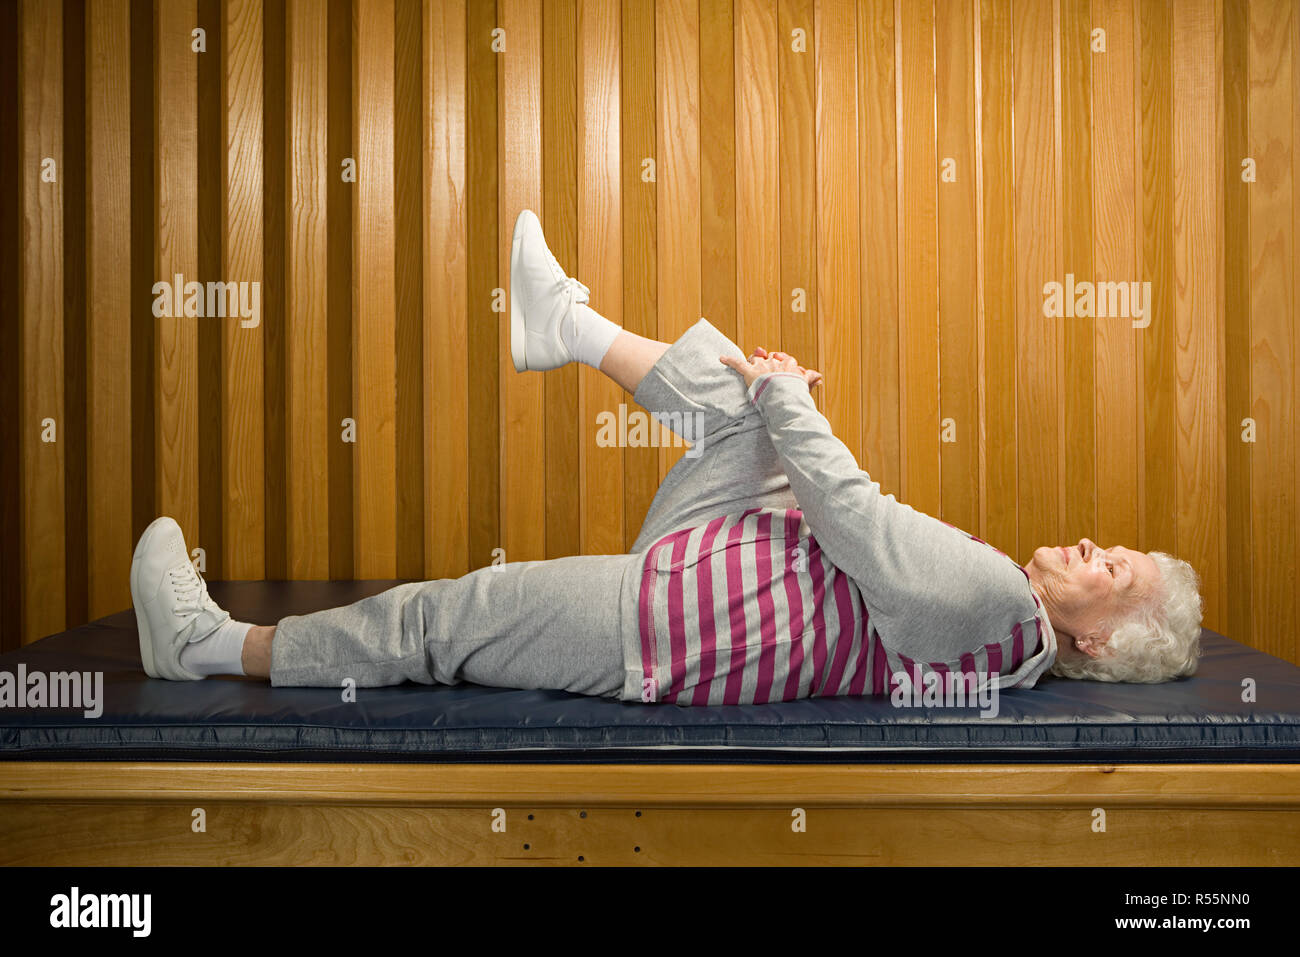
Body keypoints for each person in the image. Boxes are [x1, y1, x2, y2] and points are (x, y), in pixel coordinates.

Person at [131, 209, 1203, 705]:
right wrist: (771, 404)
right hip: (718, 558)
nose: (1089, 545)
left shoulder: (989, 605)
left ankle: (212, 647)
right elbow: (841, 528)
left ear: (1099, 647)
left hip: (670, 626)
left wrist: (792, 402)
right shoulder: (1005, 612)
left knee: (442, 620)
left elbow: (856, 518)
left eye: (1112, 569)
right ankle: (564, 327)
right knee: (745, 396)